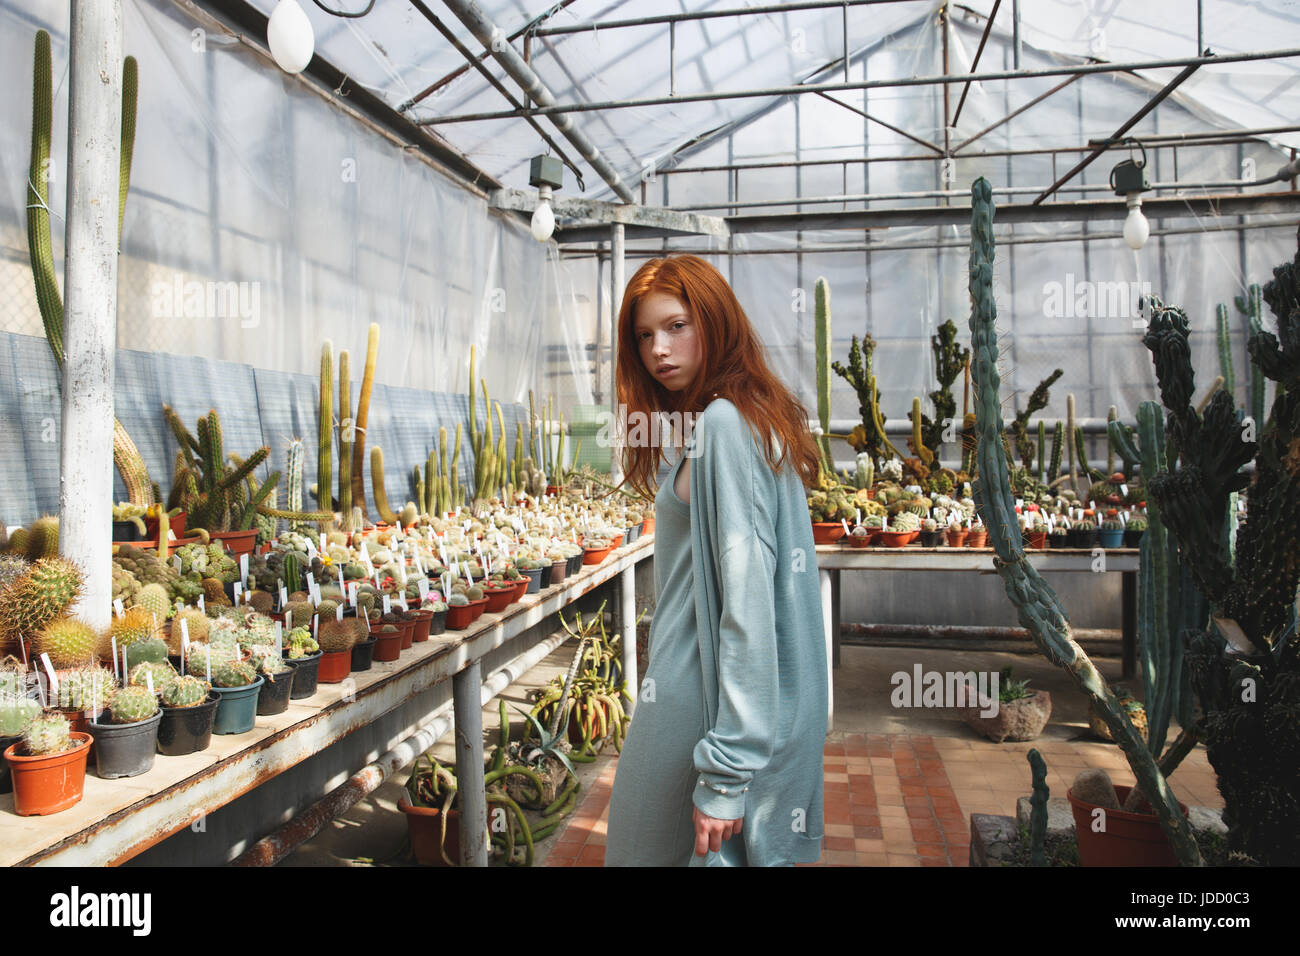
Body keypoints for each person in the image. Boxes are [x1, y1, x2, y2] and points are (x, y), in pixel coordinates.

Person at [604, 254, 828, 867]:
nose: (659, 350)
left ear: (716, 320)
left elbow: (749, 598)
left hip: (695, 702)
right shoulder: (738, 415)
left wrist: (727, 773)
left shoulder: (727, 424)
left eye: (677, 326)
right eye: (645, 335)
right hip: (699, 695)